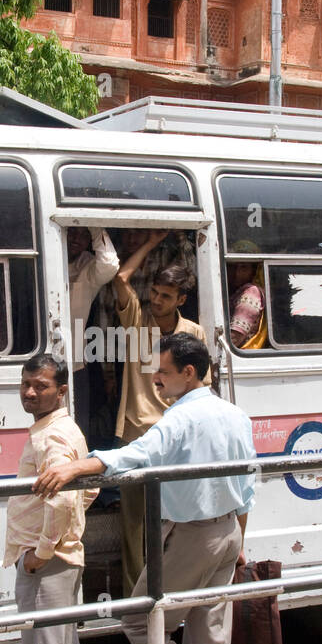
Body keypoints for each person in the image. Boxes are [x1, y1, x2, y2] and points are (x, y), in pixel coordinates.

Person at [33, 333, 256, 644]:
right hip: (227, 532)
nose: (155, 379)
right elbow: (247, 488)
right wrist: (239, 542)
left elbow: (138, 453)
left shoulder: (180, 418)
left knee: (139, 618)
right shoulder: (235, 414)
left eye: (162, 372)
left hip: (193, 534)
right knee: (208, 628)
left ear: (188, 374)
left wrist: (80, 467)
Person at [4, 354, 97, 644]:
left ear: (61, 391)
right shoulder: (61, 429)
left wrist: (39, 555)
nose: (30, 392)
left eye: (40, 386)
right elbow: (85, 491)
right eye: (26, 384)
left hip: (47, 565)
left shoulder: (51, 437)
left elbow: (61, 497)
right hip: (61, 558)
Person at [111, 230, 206, 597]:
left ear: (181, 299)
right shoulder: (138, 325)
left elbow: (202, 390)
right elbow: (120, 278)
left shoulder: (193, 333)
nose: (157, 301)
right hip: (137, 435)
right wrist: (150, 243)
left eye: (166, 297)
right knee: (134, 527)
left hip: (178, 437)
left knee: (175, 520)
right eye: (154, 293)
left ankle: (172, 594)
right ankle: (138, 601)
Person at [67, 227, 119, 430]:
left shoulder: (88, 265)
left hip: (76, 363)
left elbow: (109, 263)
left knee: (78, 428)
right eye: (72, 231)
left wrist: (93, 225)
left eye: (83, 235)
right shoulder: (48, 258)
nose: (76, 239)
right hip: (44, 360)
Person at [227, 242, 266, 349]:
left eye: (244, 267)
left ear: (254, 271)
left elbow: (234, 339)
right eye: (233, 266)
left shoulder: (251, 292)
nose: (236, 273)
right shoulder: (235, 290)